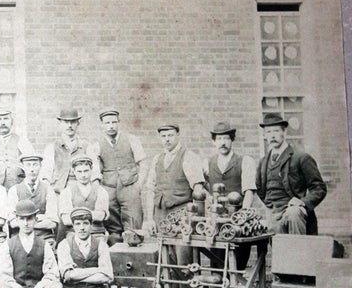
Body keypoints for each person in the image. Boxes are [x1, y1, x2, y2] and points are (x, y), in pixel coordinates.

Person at [142, 123, 205, 267]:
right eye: (163, 136)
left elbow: (198, 188)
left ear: (178, 135)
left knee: (184, 260)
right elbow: (150, 190)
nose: (167, 139)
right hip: (160, 216)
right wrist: (149, 219)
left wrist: (193, 219)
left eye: (170, 135)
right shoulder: (157, 159)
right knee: (164, 260)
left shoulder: (188, 156)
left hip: (182, 216)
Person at [256, 113, 327, 235]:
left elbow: (319, 188)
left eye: (276, 131)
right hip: (274, 214)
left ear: (284, 132)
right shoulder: (263, 162)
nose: (272, 135)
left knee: (293, 214)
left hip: (294, 211)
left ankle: (298, 252)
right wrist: (271, 206)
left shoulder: (300, 157)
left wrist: (303, 202)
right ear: (264, 135)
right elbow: (260, 189)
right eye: (268, 132)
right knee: (278, 248)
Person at [203, 121, 257, 271]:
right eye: (219, 139)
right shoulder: (208, 163)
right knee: (217, 263)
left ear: (232, 139)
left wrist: (243, 217)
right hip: (216, 222)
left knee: (237, 263)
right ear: (214, 142)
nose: (223, 143)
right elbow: (203, 187)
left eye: (226, 138)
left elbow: (249, 191)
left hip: (236, 219)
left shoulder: (244, 161)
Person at [94, 108, 148, 237]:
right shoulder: (96, 145)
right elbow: (95, 171)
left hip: (130, 188)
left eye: (114, 122)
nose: (111, 126)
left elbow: (144, 164)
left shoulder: (132, 139)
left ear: (119, 122)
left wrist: (138, 186)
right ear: (102, 125)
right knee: (113, 231)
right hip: (109, 190)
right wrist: (101, 192)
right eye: (107, 123)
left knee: (134, 229)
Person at [41, 107, 101, 196]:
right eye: (66, 122)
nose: (69, 125)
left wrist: (92, 193)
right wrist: (50, 195)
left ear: (78, 123)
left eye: (73, 122)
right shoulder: (52, 148)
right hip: (58, 193)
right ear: (60, 124)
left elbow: (95, 174)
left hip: (82, 193)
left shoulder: (87, 147)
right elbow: (45, 175)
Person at [7, 153, 59, 243]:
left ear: (40, 166)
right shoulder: (14, 190)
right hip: (20, 239)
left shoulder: (48, 189)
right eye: (28, 165)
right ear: (23, 167)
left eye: (35, 165)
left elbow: (52, 223)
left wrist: (24, 221)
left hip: (44, 238)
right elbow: (13, 223)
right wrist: (39, 219)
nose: (32, 169)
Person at [58, 155, 110, 240]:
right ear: (73, 171)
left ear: (91, 170)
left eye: (86, 171)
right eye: (79, 171)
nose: (83, 175)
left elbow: (100, 216)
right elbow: (66, 220)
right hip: (74, 234)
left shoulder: (100, 191)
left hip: (96, 233)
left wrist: (75, 214)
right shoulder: (67, 192)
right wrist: (92, 214)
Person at [0, 107, 34, 189]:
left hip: (17, 187)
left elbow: (32, 165)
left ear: (12, 122)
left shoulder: (22, 141)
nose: (2, 122)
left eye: (6, 119)